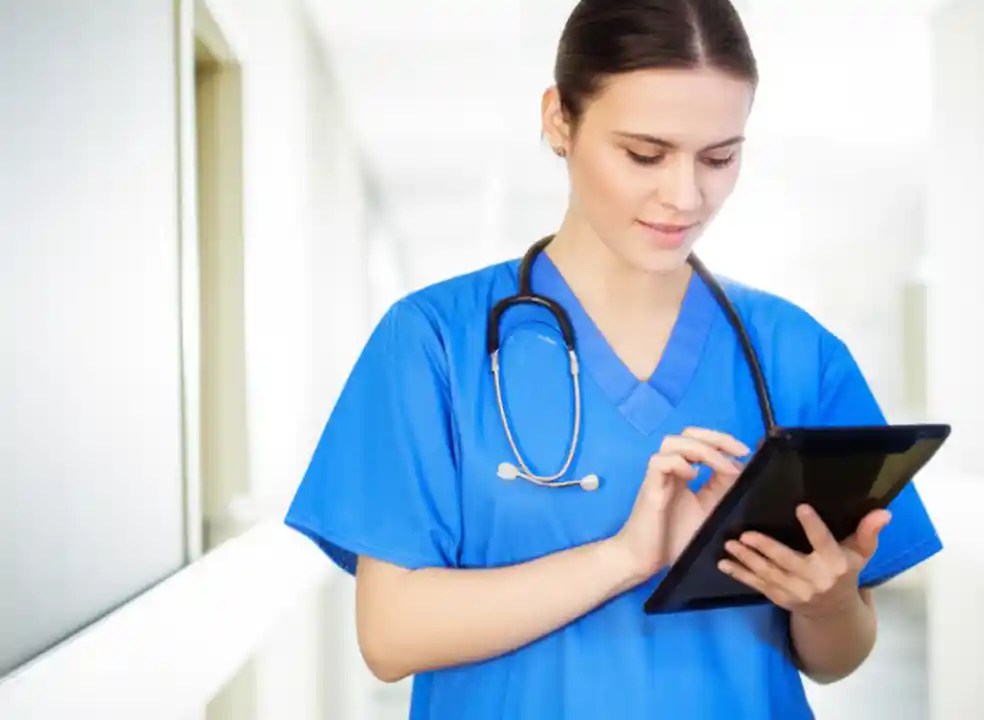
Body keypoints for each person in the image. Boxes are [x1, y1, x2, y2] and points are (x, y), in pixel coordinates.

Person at [283, 1, 942, 717]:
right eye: (644, 154)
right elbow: (391, 635)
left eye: (719, 157)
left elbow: (839, 657)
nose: (686, 196)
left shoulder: (794, 353)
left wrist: (829, 603)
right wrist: (625, 558)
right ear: (559, 121)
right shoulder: (435, 341)